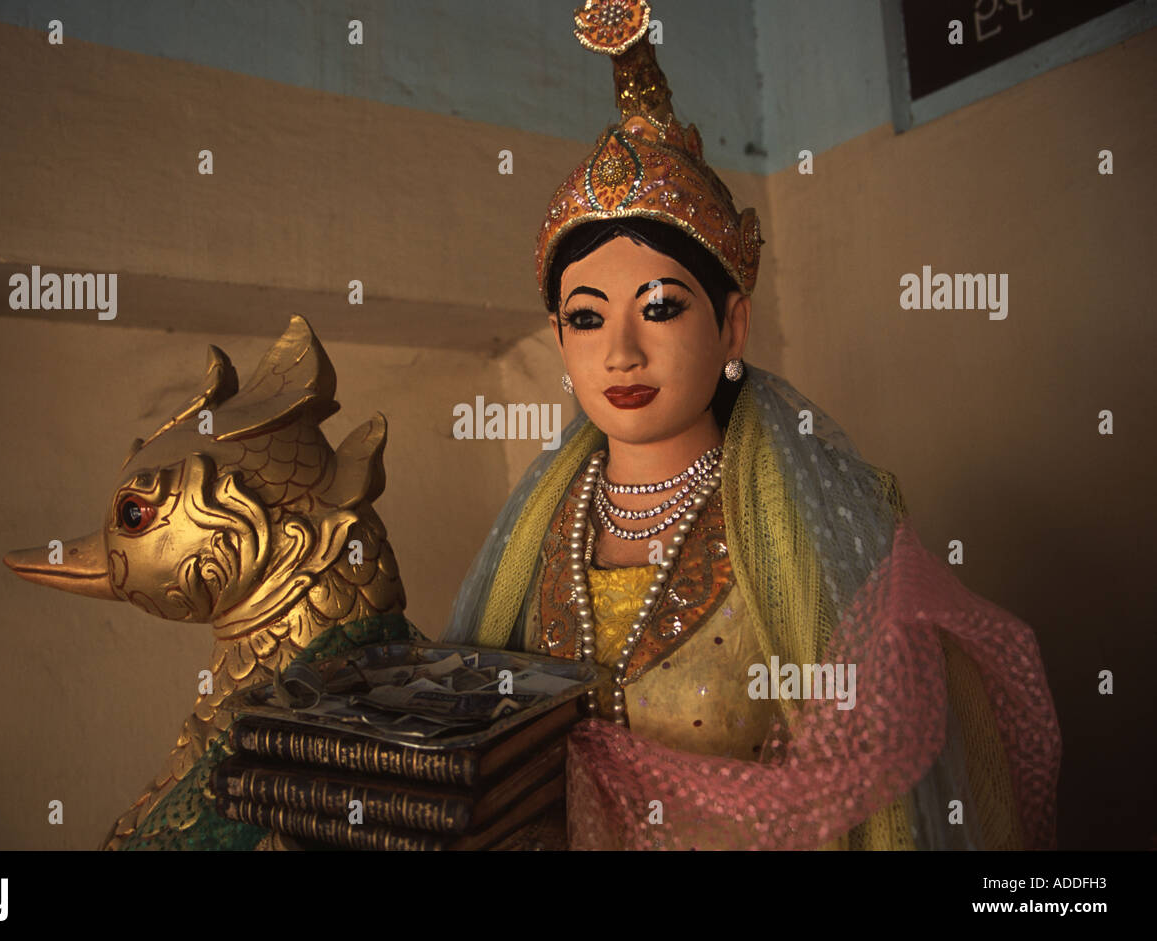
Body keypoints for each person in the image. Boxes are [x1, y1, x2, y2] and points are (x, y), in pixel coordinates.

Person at [444, 0, 1059, 850]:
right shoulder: (534, 541)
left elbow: (880, 801)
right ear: (558, 336)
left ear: (732, 326)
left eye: (659, 308)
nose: (619, 350)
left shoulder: (818, 531)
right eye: (586, 318)